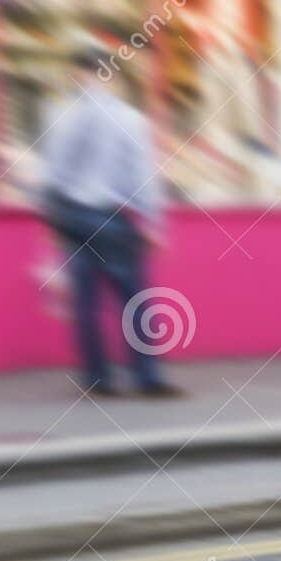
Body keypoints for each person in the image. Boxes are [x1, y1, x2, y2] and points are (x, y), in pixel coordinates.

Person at [41, 49, 181, 398]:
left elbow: (52, 177)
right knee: (134, 300)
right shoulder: (130, 119)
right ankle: (146, 377)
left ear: (77, 75)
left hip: (74, 217)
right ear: (113, 77)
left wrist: (52, 220)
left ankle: (97, 378)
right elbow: (143, 177)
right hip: (113, 219)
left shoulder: (61, 117)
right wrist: (153, 224)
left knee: (86, 302)